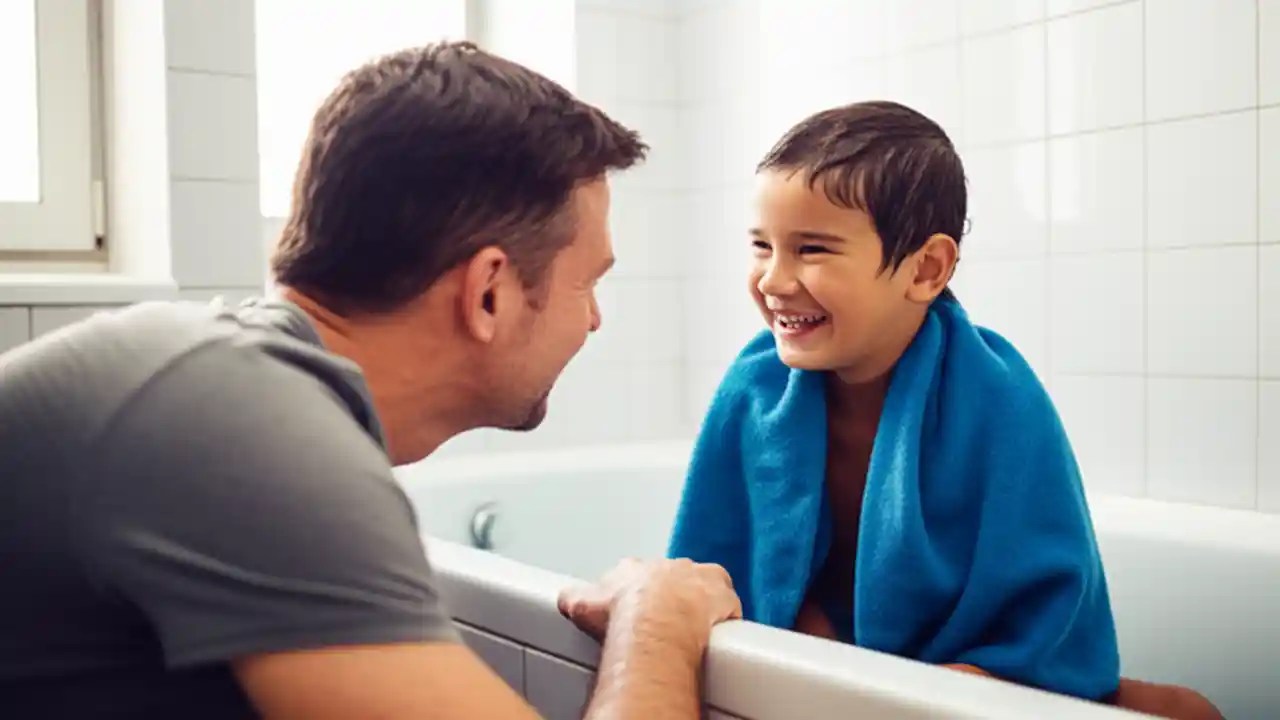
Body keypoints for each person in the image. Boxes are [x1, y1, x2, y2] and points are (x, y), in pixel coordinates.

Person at [0, 41, 741, 719]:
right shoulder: (237, 427)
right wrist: (657, 623)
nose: (594, 323)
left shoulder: (227, 385)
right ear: (490, 294)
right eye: (589, 285)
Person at [666, 101, 1221, 720]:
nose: (773, 279)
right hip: (825, 654)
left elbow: (1045, 585)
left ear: (926, 269)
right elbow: (738, 560)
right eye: (762, 246)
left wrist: (982, 672)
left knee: (1187, 709)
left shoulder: (996, 395)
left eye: (812, 249)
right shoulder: (755, 391)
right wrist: (822, 655)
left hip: (967, 655)